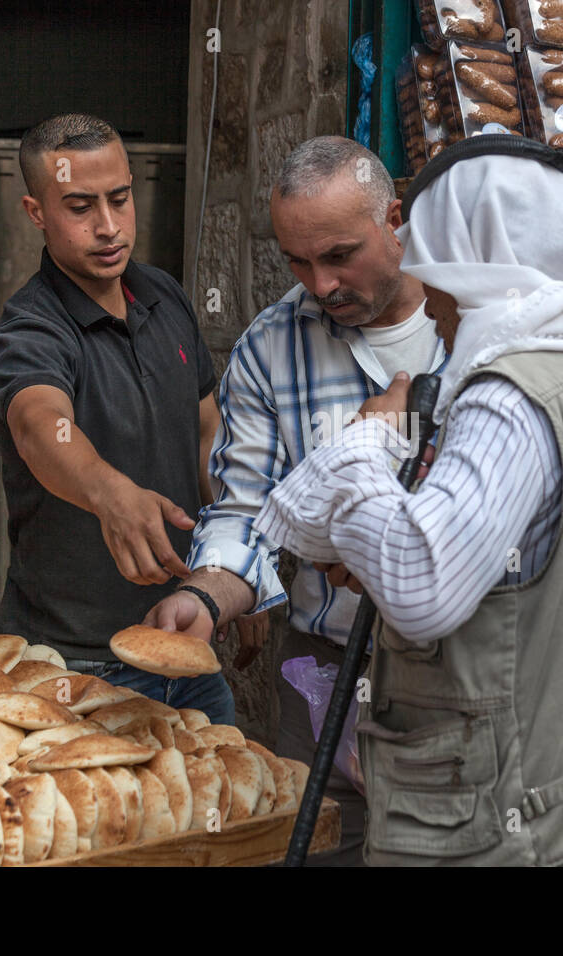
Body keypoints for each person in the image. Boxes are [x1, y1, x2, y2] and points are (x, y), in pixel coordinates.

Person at [252, 137, 563, 866]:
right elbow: (555, 566)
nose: (429, 304)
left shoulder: (510, 395)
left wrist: (366, 449)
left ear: (469, 264)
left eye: (431, 275)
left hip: (554, 824)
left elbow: (423, 585)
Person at [143, 136, 443, 865]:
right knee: (319, 843)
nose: (321, 283)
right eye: (298, 262)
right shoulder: (271, 346)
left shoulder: (475, 321)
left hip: (455, 676)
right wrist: (206, 600)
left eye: (341, 254)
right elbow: (247, 509)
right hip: (322, 672)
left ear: (395, 219)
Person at [0, 113, 234, 724]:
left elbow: (207, 438)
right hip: (70, 668)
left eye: (119, 199)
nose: (108, 226)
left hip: (183, 643)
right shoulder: (30, 328)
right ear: (36, 211)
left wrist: (228, 574)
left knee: (222, 814)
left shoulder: (163, 295)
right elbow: (41, 425)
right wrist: (109, 493)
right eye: (79, 206)